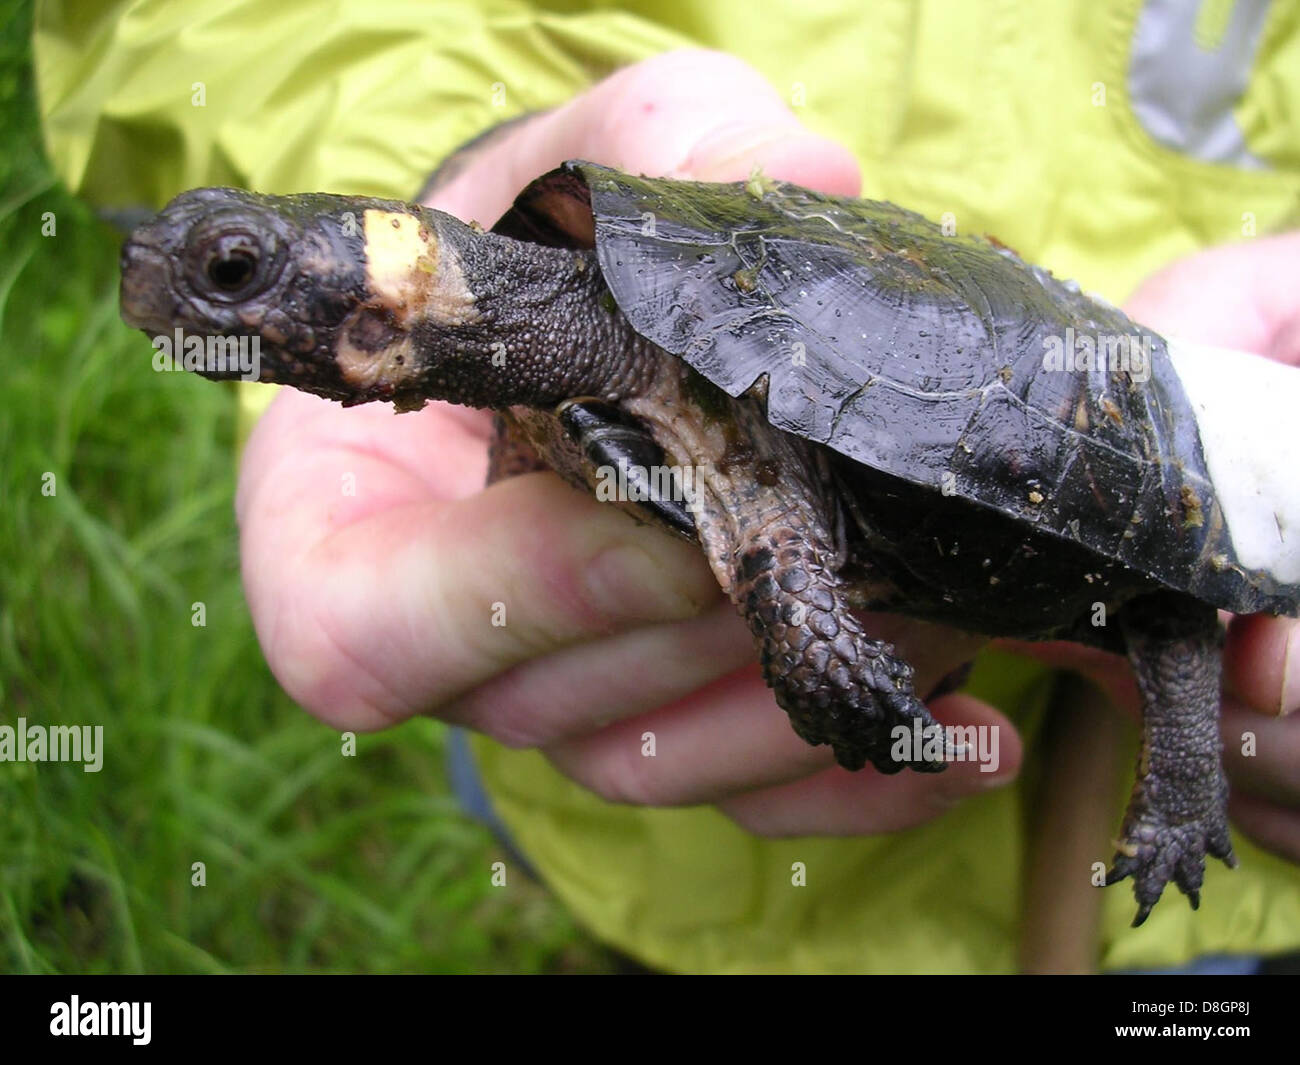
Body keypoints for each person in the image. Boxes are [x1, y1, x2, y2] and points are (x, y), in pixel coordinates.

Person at [38, 0, 1300, 972]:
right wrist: (450, 148)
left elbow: (817, 633)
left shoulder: (674, 382)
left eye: (236, 268)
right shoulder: (548, 350)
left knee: (1164, 613)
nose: (191, 291)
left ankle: (1180, 801)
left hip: (1096, 427)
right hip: (671, 842)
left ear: (395, 297)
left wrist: (864, 707)